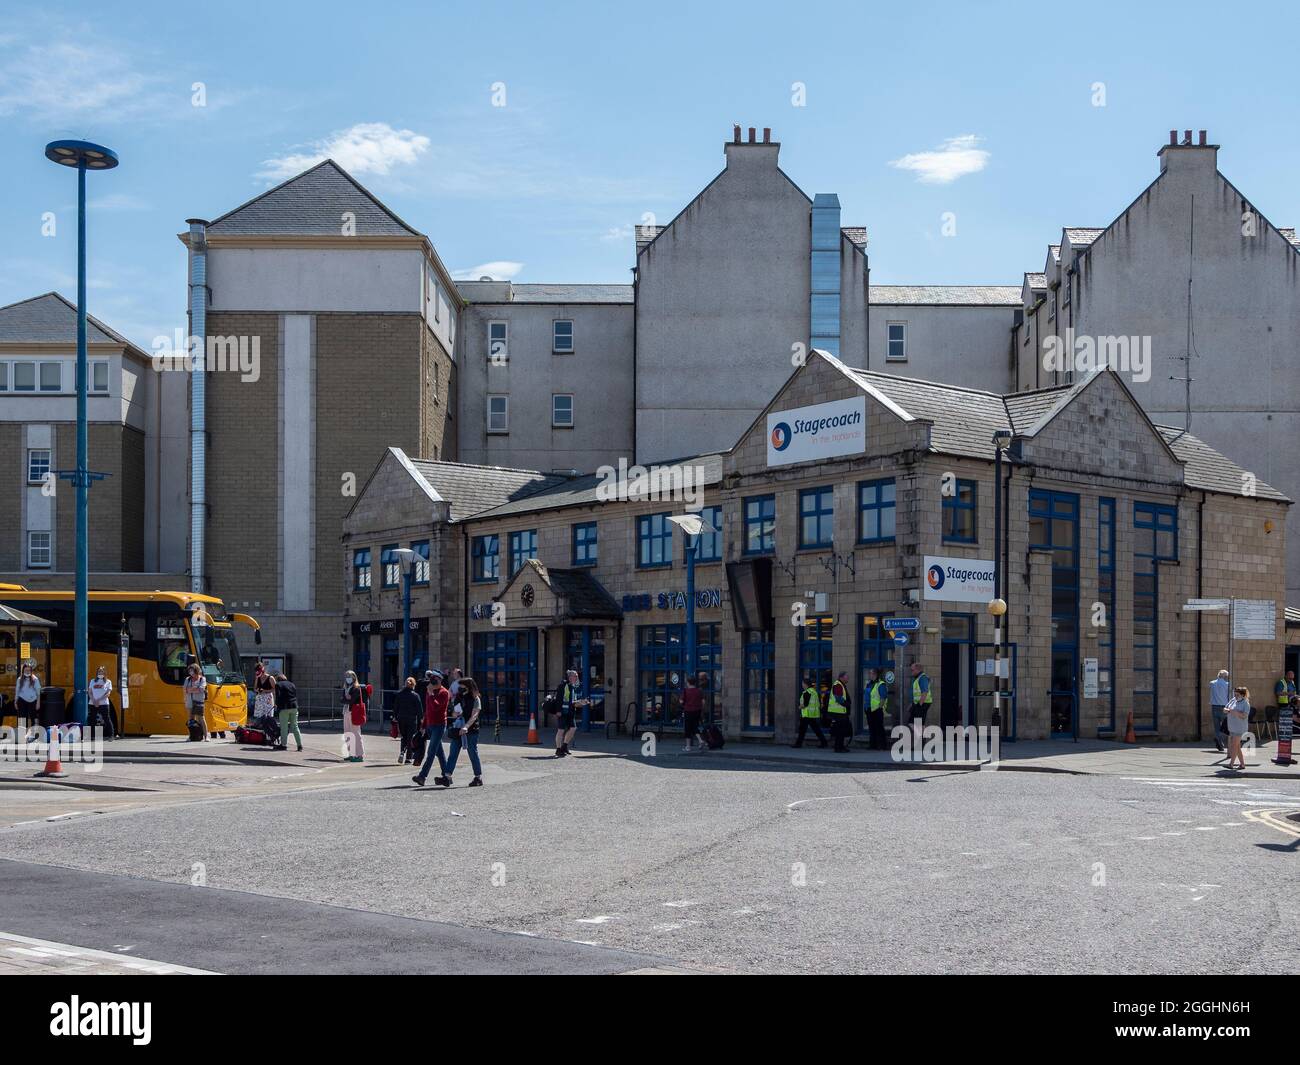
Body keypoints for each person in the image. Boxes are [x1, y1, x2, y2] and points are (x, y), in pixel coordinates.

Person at [444, 677, 484, 788]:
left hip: (471, 730)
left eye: (462, 686)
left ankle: (478, 777)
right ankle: (447, 776)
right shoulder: (459, 697)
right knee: (453, 752)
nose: (460, 689)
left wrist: (466, 727)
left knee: (472, 753)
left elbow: (475, 715)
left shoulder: (476, 699)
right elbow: (455, 713)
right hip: (458, 729)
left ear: (468, 687)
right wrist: (455, 713)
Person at [412, 670, 450, 786]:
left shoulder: (444, 692)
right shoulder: (429, 692)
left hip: (439, 726)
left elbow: (436, 707)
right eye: (431, 679)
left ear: (439, 680)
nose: (432, 681)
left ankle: (422, 776)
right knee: (440, 753)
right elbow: (428, 710)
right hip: (430, 725)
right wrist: (423, 726)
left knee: (431, 752)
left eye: (435, 679)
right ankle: (447, 776)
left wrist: (432, 694)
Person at [553, 669, 587, 757]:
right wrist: (558, 711)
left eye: (577, 676)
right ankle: (558, 749)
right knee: (560, 730)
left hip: (570, 712)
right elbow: (559, 699)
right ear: (570, 677)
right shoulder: (563, 685)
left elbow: (572, 701)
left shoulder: (573, 686)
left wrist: (581, 702)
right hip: (563, 712)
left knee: (573, 729)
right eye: (575, 676)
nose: (577, 677)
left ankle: (564, 746)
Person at [792, 674, 827, 748]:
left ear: (805, 684)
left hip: (806, 715)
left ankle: (798, 744)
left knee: (802, 730)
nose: (802, 685)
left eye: (802, 683)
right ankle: (824, 742)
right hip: (813, 714)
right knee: (817, 730)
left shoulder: (806, 692)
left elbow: (805, 704)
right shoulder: (815, 692)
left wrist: (799, 707)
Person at [394, 676, 423, 764]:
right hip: (412, 719)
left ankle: (402, 752)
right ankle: (408, 758)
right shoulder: (415, 695)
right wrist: (421, 720)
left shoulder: (399, 694)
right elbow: (419, 710)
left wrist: (395, 717)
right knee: (410, 738)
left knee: (404, 737)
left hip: (401, 718)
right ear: (413, 685)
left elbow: (395, 707)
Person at [1224, 686, 1251, 772]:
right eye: (1235, 694)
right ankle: (1242, 764)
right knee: (1237, 746)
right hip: (1232, 727)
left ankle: (1231, 764)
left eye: (1237, 695)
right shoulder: (1233, 700)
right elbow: (1225, 709)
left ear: (1243, 695)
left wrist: (1234, 712)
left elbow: (1244, 716)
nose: (1235, 696)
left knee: (1234, 745)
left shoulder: (1246, 703)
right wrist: (1228, 710)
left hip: (1240, 728)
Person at [342, 671, 366, 762]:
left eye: (350, 676)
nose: (348, 678)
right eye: (346, 676)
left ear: (354, 677)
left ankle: (360, 755)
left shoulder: (356, 688)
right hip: (346, 711)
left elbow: (351, 700)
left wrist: (347, 699)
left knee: (356, 734)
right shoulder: (345, 688)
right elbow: (342, 700)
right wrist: (346, 699)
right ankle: (351, 754)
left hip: (354, 712)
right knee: (347, 733)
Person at [274, 671, 302, 752]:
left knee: (284, 727)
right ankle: (299, 745)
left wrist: (277, 705)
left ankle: (283, 745)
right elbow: (295, 695)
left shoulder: (278, 685)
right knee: (295, 726)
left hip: (284, 707)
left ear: (278, 679)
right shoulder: (292, 684)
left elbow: (278, 697)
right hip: (294, 706)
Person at [88, 665, 116, 740]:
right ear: (97, 672)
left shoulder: (108, 682)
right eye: (99, 671)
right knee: (91, 719)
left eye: (102, 671)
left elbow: (108, 694)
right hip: (92, 703)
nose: (100, 673)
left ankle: (111, 735)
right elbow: (90, 692)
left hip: (104, 704)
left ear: (104, 673)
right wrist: (94, 700)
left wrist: (98, 700)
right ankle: (91, 736)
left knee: (107, 719)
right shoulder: (92, 681)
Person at [827, 671, 852, 752]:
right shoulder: (838, 685)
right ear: (841, 677)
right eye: (846, 677)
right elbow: (838, 698)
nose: (848, 678)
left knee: (841, 731)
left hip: (840, 712)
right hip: (838, 713)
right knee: (840, 731)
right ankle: (838, 748)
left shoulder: (840, 684)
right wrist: (846, 704)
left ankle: (840, 746)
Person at [681, 673, 706, 752]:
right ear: (695, 682)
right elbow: (703, 701)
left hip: (688, 710)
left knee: (688, 728)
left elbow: (681, 701)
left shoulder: (686, 691)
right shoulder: (699, 691)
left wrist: (682, 702)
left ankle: (688, 746)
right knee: (695, 726)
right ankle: (700, 740)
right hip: (697, 710)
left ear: (688, 682)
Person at [866, 668, 889, 750]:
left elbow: (883, 697)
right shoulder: (869, 684)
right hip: (869, 709)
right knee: (871, 728)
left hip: (877, 710)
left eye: (871, 673)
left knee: (879, 728)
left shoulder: (881, 684)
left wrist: (880, 708)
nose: (870, 675)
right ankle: (873, 745)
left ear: (875, 674)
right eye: (869, 673)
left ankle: (883, 746)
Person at [1208, 669, 1230, 754]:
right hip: (1224, 707)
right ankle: (1219, 738)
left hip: (1214, 706)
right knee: (1226, 726)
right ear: (1225, 677)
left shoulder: (1212, 683)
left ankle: (1219, 742)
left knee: (1216, 726)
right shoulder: (1227, 685)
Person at [183, 662, 207, 739]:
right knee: (191, 719)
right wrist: (195, 689)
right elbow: (185, 689)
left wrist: (191, 689)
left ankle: (206, 736)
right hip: (189, 701)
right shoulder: (188, 679)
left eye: (192, 670)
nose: (190, 672)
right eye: (190, 671)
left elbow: (201, 689)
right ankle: (191, 736)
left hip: (199, 702)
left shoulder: (202, 679)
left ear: (196, 670)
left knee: (201, 718)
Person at [14, 661, 41, 730]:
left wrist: (38, 703)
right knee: (22, 718)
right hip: (22, 700)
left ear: (31, 671)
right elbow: (17, 691)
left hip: (33, 701)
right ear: (23, 670)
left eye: (29, 670)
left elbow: (38, 692)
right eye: (26, 670)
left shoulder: (35, 679)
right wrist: (15, 702)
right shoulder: (19, 679)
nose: (27, 671)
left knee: (33, 718)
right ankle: (22, 735)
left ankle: (33, 734)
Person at [1274, 670, 1296, 742]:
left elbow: (1294, 692)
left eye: (1292, 678)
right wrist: (1288, 693)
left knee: (1292, 718)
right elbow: (1278, 693)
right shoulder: (1281, 682)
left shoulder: (1292, 683)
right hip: (1283, 703)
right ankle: (1283, 734)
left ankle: (1289, 733)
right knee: (1284, 720)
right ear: (1286, 676)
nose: (1291, 680)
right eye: (1290, 678)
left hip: (1291, 703)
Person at [910, 662, 932, 729]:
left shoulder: (922, 678)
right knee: (919, 723)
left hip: (922, 704)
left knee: (913, 723)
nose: (911, 672)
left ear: (917, 670)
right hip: (920, 703)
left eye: (912, 670)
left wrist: (919, 705)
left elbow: (924, 692)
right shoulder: (918, 678)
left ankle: (920, 737)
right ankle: (922, 737)